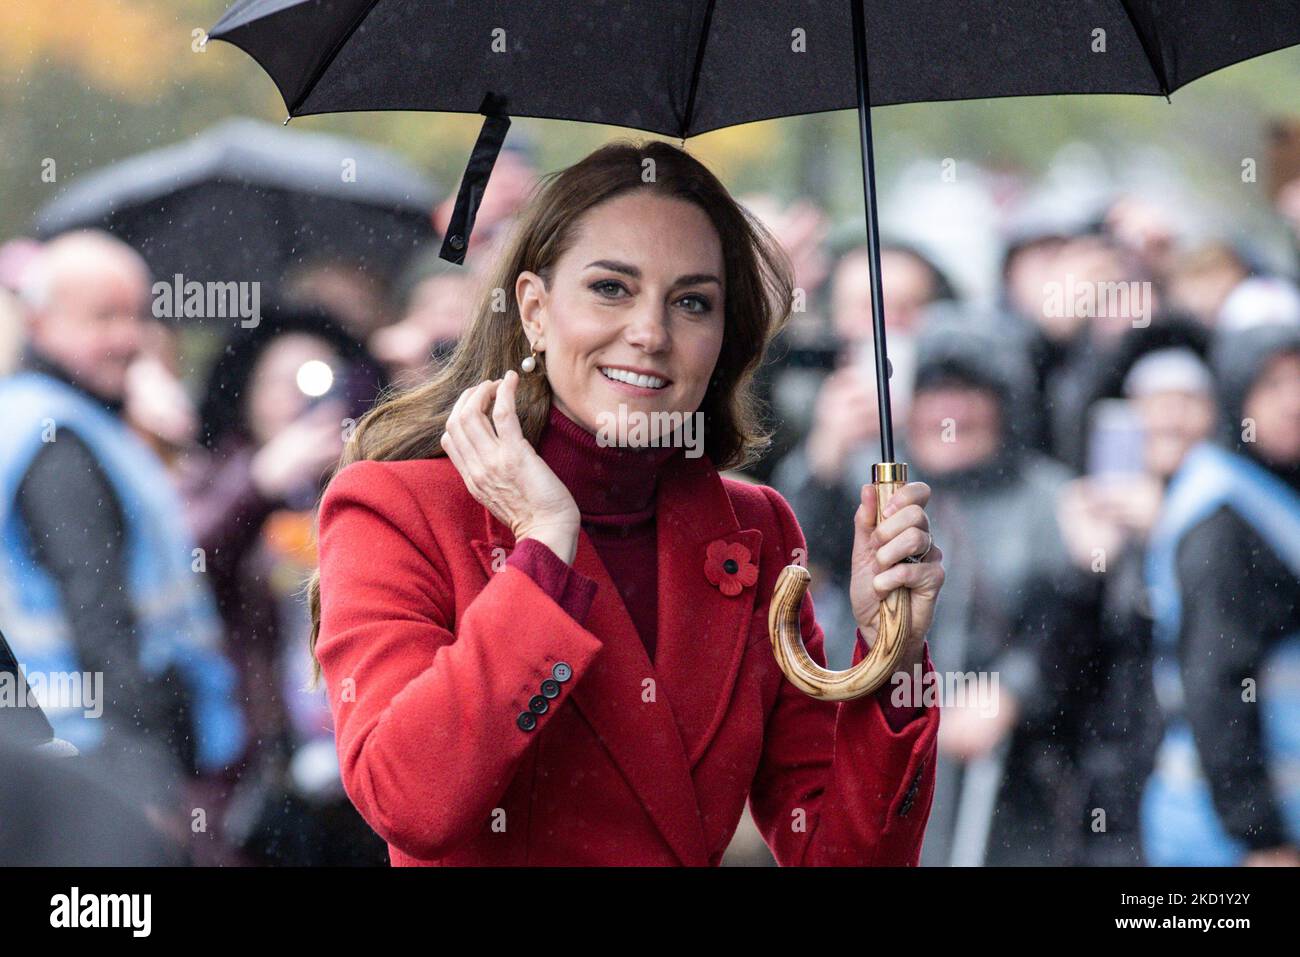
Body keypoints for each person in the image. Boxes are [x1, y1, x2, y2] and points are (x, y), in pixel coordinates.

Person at [310, 140, 946, 866]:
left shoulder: (758, 529)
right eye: (612, 288)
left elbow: (843, 858)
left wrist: (893, 651)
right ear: (536, 309)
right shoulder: (396, 507)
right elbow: (410, 799)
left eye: (691, 302)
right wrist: (545, 548)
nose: (650, 333)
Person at [0, 230, 245, 828]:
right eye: (102, 318)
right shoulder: (56, 439)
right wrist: (140, 779)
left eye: (136, 315)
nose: (127, 337)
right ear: (39, 322)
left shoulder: (65, 418)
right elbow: (98, 615)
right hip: (93, 754)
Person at [1141, 320, 1300, 866]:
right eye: (1272, 385)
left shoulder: (1273, 486)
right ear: (1236, 396)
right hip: (1229, 832)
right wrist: (1261, 836)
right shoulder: (1223, 519)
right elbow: (1217, 682)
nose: (1293, 402)